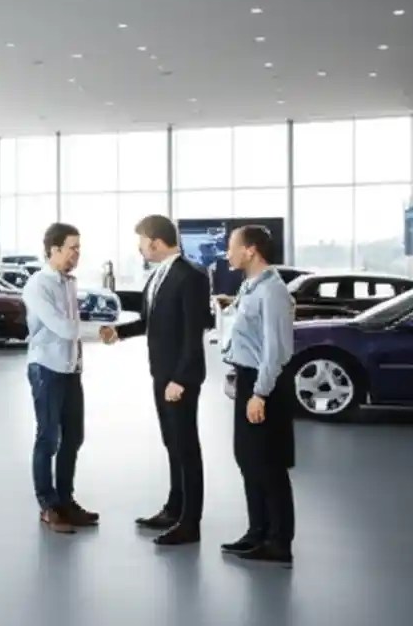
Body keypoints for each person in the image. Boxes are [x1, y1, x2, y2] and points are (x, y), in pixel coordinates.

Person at [99, 215, 211, 546]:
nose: (139, 248)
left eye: (140, 242)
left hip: (179, 378)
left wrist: (181, 378)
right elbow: (151, 321)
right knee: (172, 444)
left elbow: (194, 333)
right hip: (161, 374)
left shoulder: (190, 276)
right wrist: (118, 331)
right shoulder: (158, 276)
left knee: (186, 448)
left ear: (155, 242)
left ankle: (190, 522)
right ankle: (174, 508)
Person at [220, 225, 296, 566]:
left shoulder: (273, 291)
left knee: (269, 465)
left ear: (250, 250)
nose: (227, 253)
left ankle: (279, 542)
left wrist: (260, 394)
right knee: (248, 460)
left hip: (264, 384)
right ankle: (257, 532)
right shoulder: (250, 286)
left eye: (232, 247)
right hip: (248, 379)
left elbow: (275, 350)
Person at [22, 222, 99, 534]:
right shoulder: (38, 285)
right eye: (72, 248)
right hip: (46, 369)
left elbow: (72, 330)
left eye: (79, 248)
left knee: (73, 437)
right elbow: (65, 328)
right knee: (48, 437)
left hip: (69, 370)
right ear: (53, 250)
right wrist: (105, 333)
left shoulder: (68, 282)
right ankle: (48, 505)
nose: (77, 254)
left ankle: (66, 501)